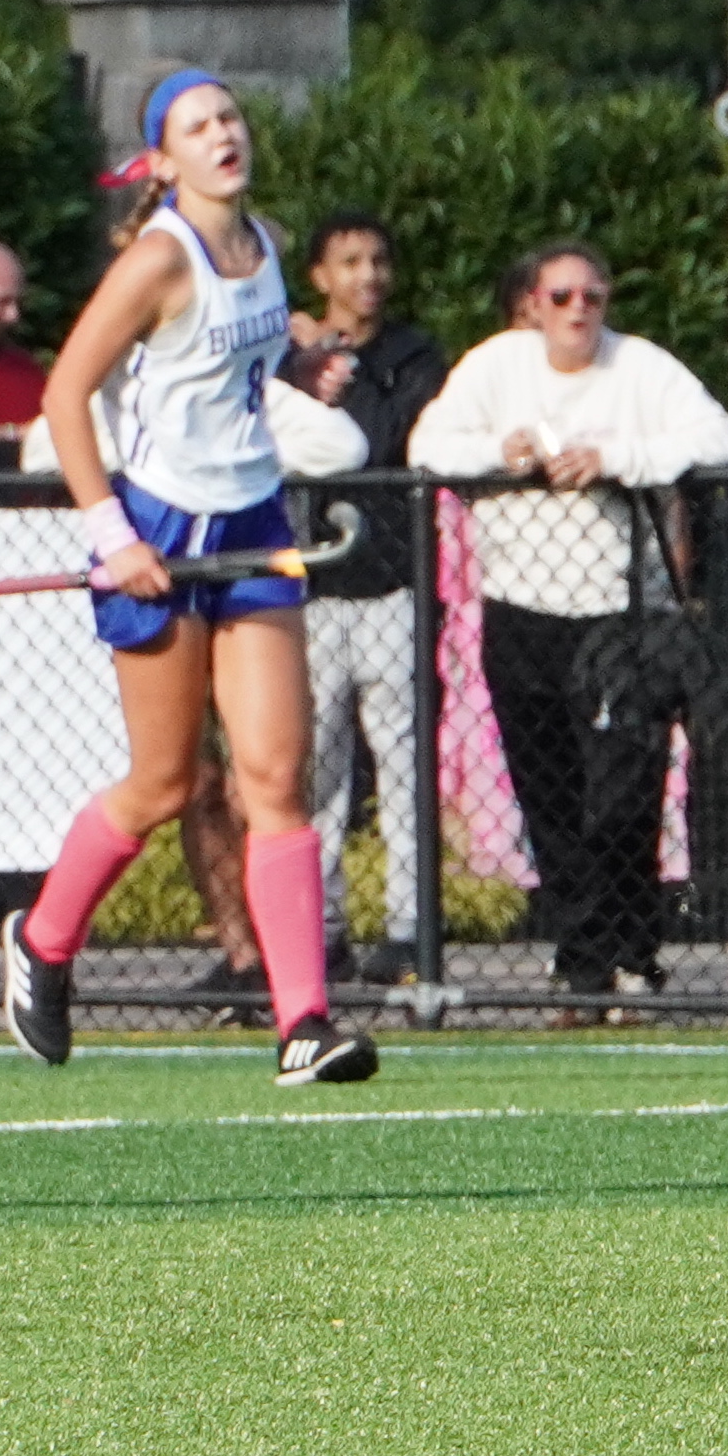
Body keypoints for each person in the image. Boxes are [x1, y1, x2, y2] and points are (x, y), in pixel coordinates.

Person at [0, 70, 378, 1084]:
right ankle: (42, 938)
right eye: (198, 125)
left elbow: (243, 359)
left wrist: (297, 368)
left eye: (231, 117)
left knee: (275, 779)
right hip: (161, 533)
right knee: (165, 781)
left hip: (252, 525)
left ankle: (304, 1021)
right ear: (163, 160)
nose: (225, 134)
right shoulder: (159, 257)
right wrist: (109, 531)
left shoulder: (264, 245)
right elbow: (68, 389)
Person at [410, 241, 728, 1003]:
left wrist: (615, 457)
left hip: (621, 615)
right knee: (548, 793)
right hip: (522, 609)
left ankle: (633, 942)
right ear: (532, 303)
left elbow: (720, 437)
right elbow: (428, 447)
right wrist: (506, 453)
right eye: (560, 297)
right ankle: (583, 954)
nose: (577, 311)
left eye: (591, 296)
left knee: (624, 792)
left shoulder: (642, 367)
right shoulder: (496, 366)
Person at [290, 211, 449, 985]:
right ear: (320, 276)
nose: (368, 275)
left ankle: (410, 922)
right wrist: (309, 362)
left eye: (379, 260)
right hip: (312, 584)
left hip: (393, 576)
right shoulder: (292, 358)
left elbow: (387, 438)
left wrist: (339, 379)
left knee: (401, 756)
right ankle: (317, 925)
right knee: (313, 762)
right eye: (349, 260)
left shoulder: (413, 355)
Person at [0, 236, 42, 435]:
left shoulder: (26, 370)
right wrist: (13, 434)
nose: (13, 315)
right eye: (2, 302)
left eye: (17, 302)